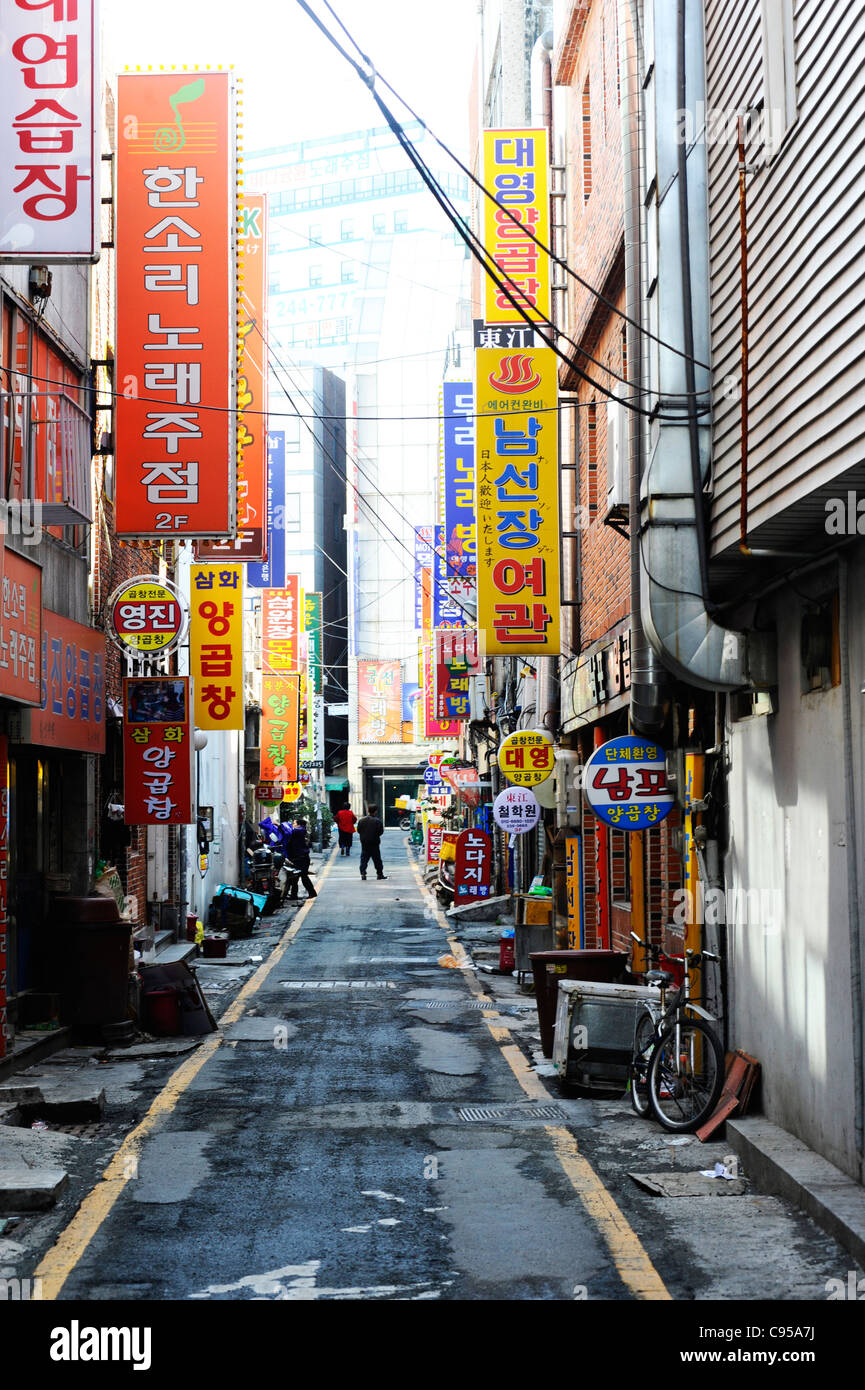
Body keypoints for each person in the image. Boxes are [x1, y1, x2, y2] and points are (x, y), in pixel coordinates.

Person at [284, 817, 317, 900]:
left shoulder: (300, 831)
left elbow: (295, 830)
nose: (293, 825)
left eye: (294, 823)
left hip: (301, 858)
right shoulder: (297, 832)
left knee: (302, 876)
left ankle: (311, 892)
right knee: (296, 877)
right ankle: (294, 895)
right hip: (298, 857)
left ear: (298, 825)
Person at [357, 804, 386, 881]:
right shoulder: (377, 821)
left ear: (368, 811)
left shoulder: (361, 820)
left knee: (364, 859)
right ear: (375, 811)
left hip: (364, 843)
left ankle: (363, 873)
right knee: (377, 859)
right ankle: (380, 874)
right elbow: (381, 832)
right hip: (374, 843)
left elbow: (359, 830)